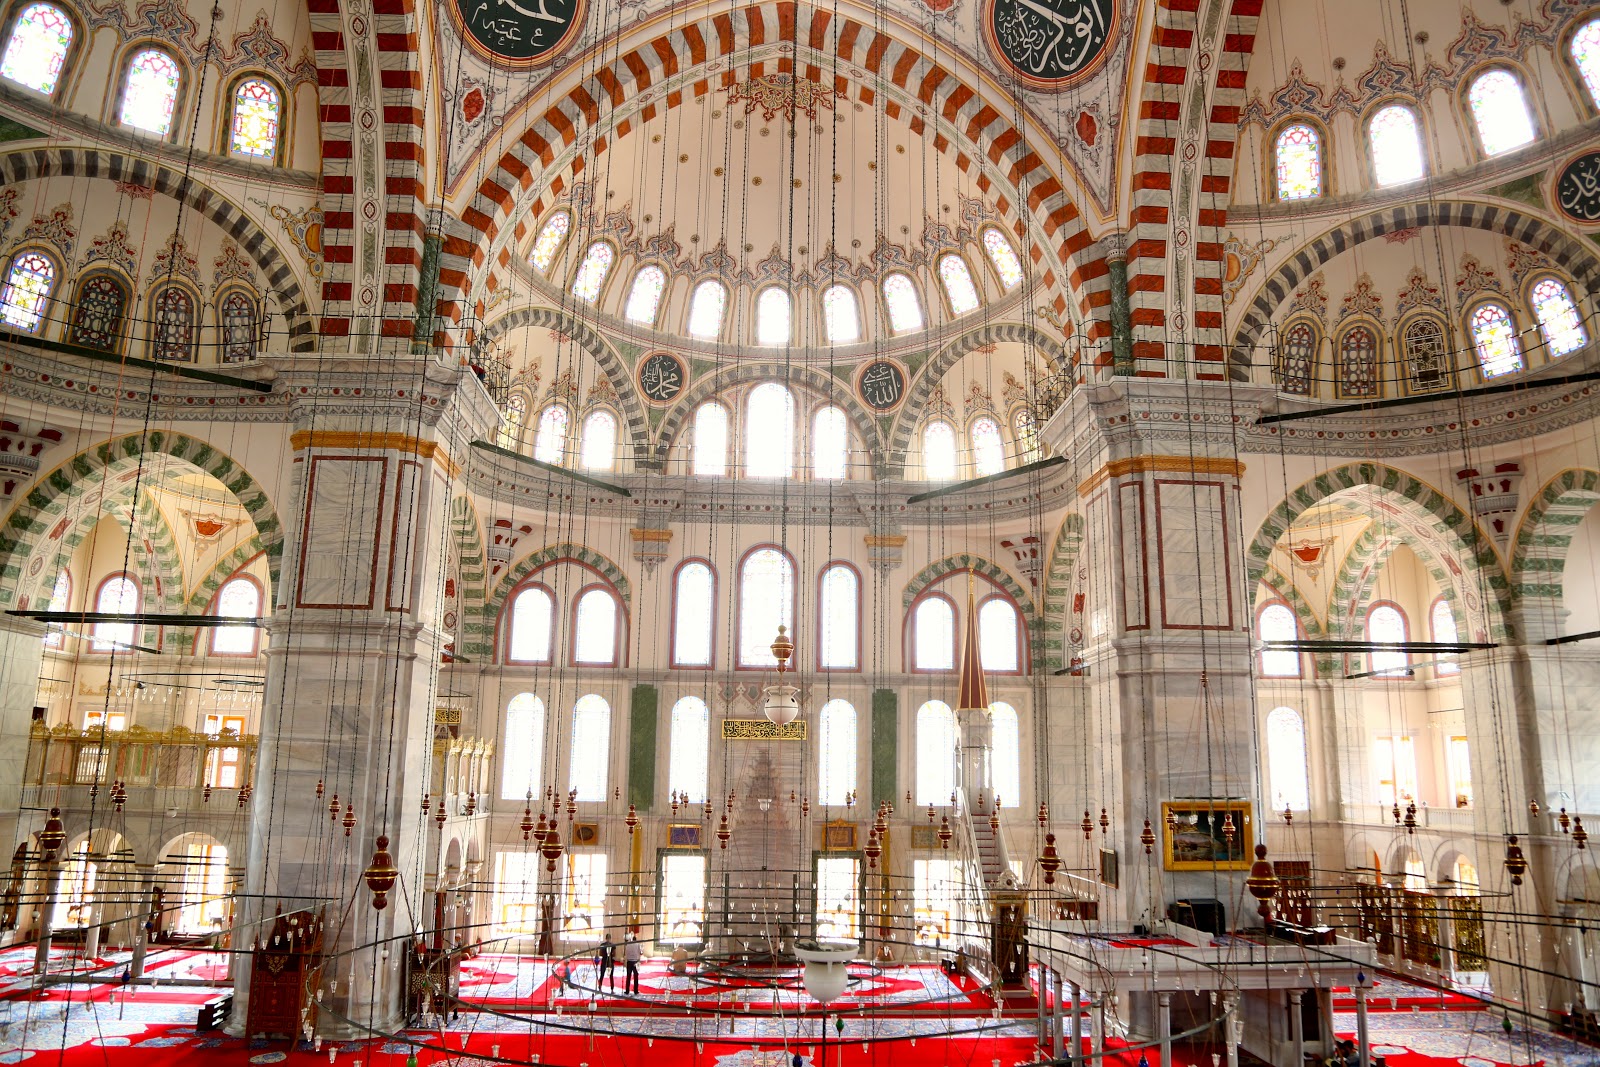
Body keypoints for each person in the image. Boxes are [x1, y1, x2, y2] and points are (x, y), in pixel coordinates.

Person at [623, 931, 642, 995]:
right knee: (636, 976)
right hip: (635, 961)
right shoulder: (638, 944)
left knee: (628, 976)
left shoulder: (628, 944)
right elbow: (640, 952)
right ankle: (635, 990)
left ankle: (627, 990)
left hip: (629, 961)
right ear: (635, 940)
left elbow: (626, 952)